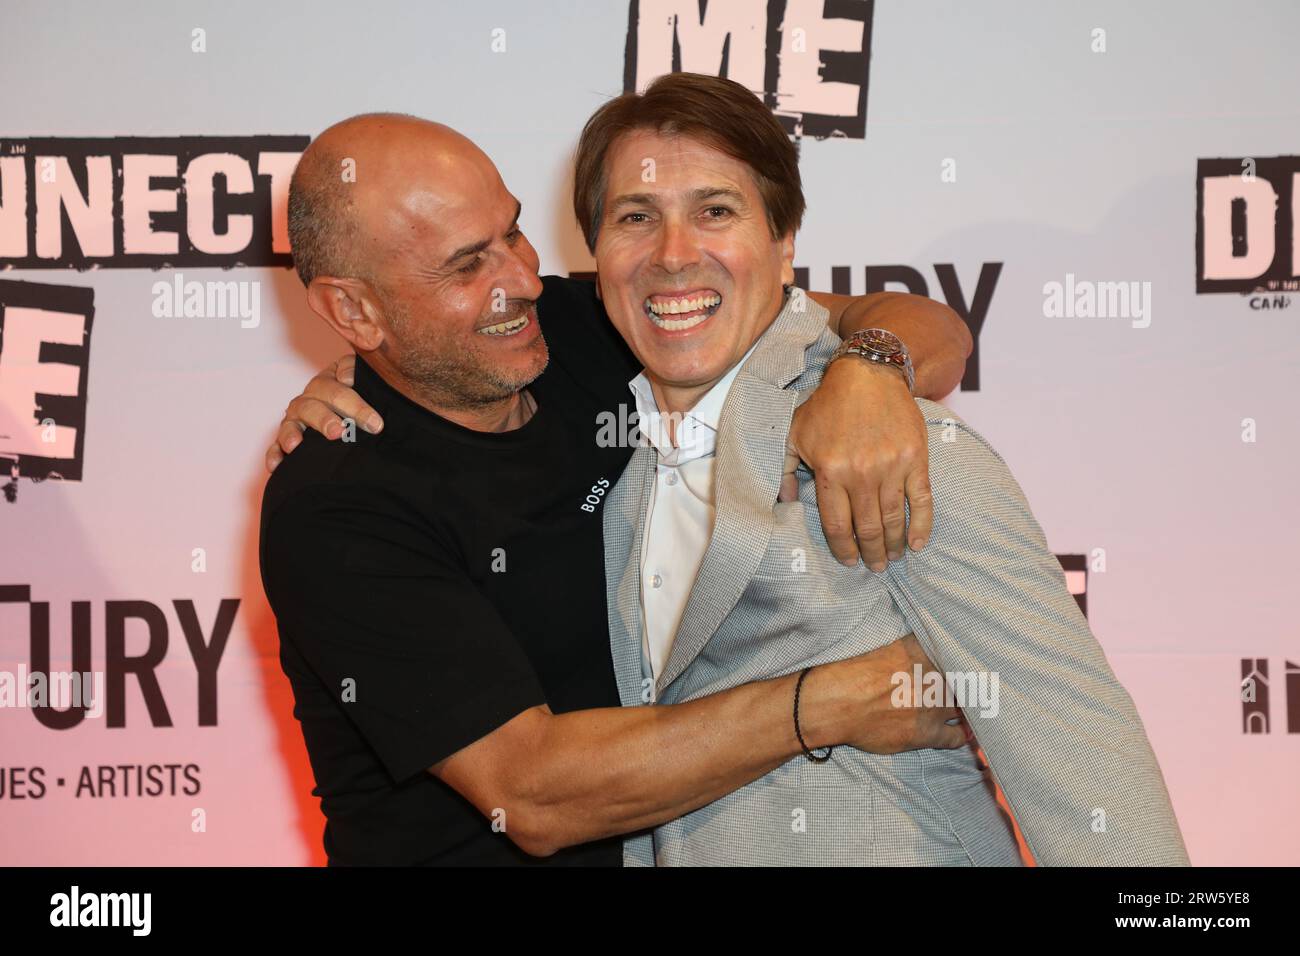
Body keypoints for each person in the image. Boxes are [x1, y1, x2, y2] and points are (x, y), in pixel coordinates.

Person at [260, 111, 974, 865]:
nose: (522, 280)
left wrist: (870, 367)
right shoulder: (336, 505)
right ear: (353, 310)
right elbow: (531, 792)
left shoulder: (581, 327)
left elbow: (925, 327)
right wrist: (838, 700)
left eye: (513, 233)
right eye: (467, 266)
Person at [577, 72, 1190, 865]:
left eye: (715, 211)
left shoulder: (893, 440)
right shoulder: (616, 463)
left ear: (785, 240)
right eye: (636, 217)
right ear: (594, 251)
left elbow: (1076, 748)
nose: (673, 253)